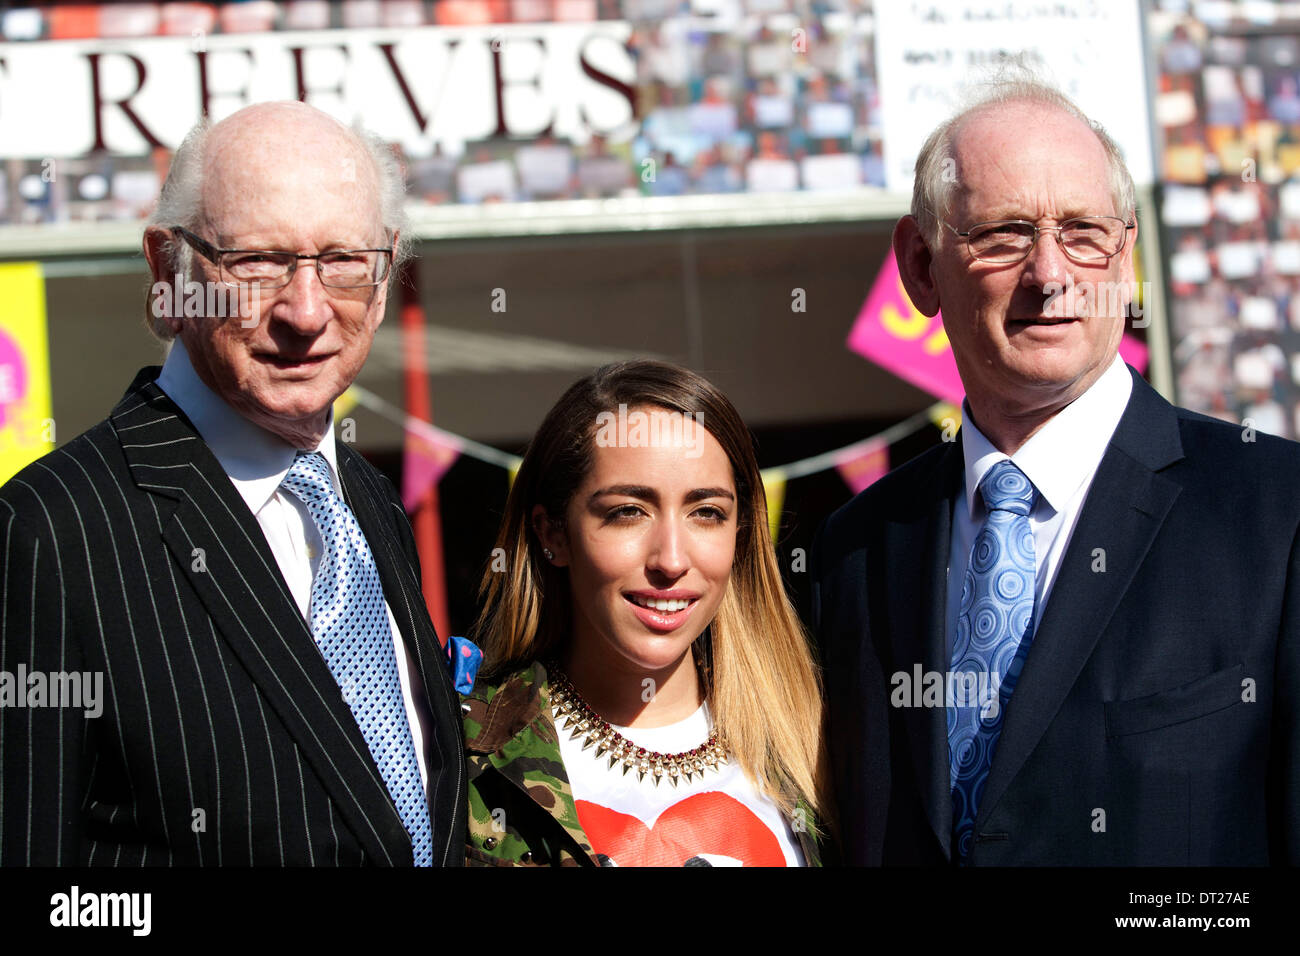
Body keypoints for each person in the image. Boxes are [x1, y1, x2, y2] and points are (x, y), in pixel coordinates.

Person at [811, 78, 1300, 865]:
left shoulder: (1276, 515)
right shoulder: (854, 553)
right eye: (1004, 235)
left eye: (1082, 231)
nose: (1050, 273)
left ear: (1126, 253)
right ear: (921, 268)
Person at [0, 102, 466, 866]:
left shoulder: (371, 505)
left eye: (345, 260)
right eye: (256, 261)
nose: (306, 312)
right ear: (167, 270)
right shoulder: (50, 534)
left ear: (384, 277)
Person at [463, 361, 830, 866]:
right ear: (552, 533)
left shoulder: (818, 749)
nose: (672, 560)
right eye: (627, 512)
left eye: (707, 513)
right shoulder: (462, 757)